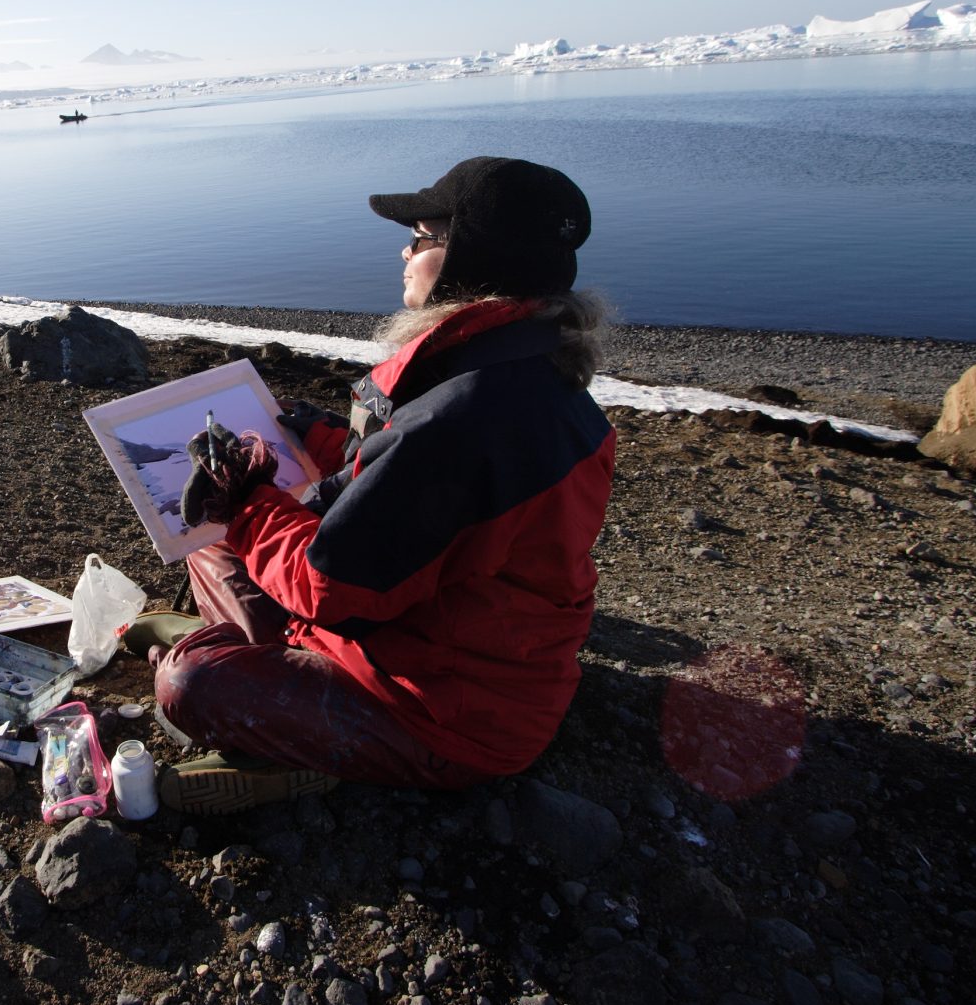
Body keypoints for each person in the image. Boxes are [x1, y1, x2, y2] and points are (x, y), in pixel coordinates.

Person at [132, 156, 617, 814]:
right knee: (210, 539)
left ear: (469, 257)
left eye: (421, 236)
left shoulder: (459, 420)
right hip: (447, 649)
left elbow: (333, 589)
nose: (405, 250)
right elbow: (403, 483)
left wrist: (249, 504)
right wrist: (321, 439)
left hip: (445, 716)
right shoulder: (529, 374)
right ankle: (268, 670)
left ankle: (302, 745)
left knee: (188, 681)